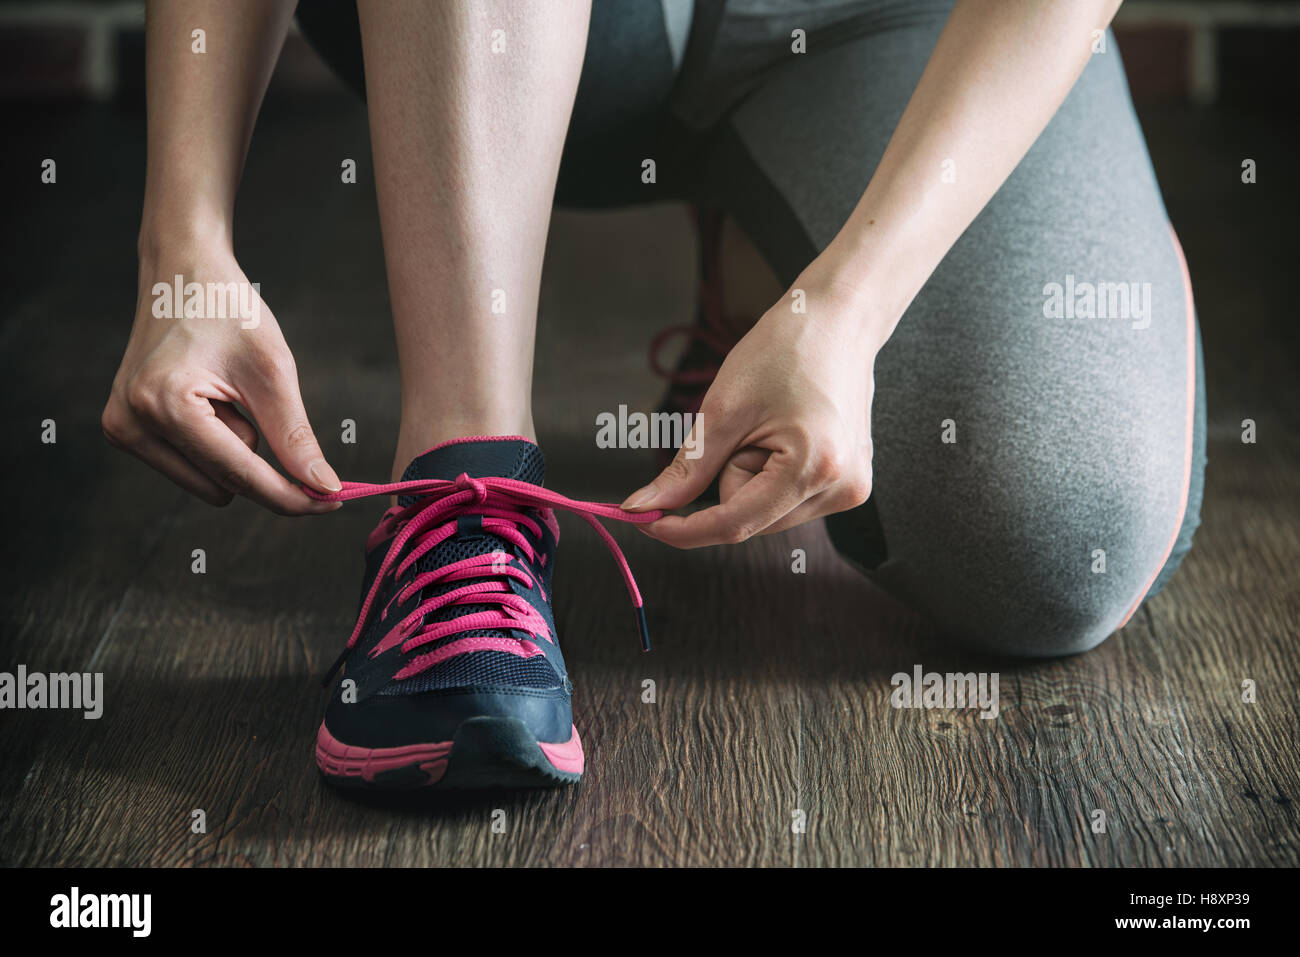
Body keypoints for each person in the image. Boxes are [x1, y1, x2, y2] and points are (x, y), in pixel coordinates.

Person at [101, 0, 1205, 789]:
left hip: (890, 24)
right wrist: (181, 237)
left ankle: (767, 272)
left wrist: (850, 308)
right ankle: (466, 478)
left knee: (1060, 536)